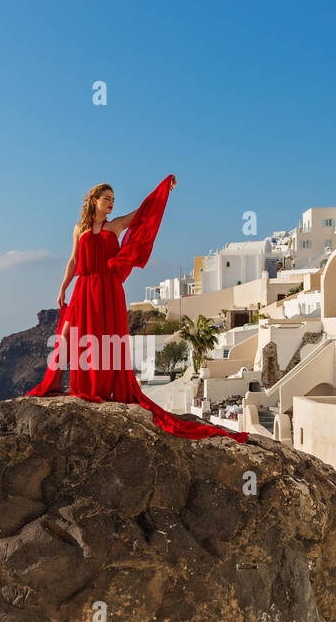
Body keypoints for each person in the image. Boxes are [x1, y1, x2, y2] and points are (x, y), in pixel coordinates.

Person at [26, 174, 249, 444]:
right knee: (75, 337)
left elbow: (145, 211)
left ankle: (104, 387)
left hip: (109, 289)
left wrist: (165, 187)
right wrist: (63, 287)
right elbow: (73, 260)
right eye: (106, 199)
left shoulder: (116, 226)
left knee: (106, 338)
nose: (111, 203)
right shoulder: (79, 229)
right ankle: (82, 386)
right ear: (93, 201)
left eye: (113, 200)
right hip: (83, 288)